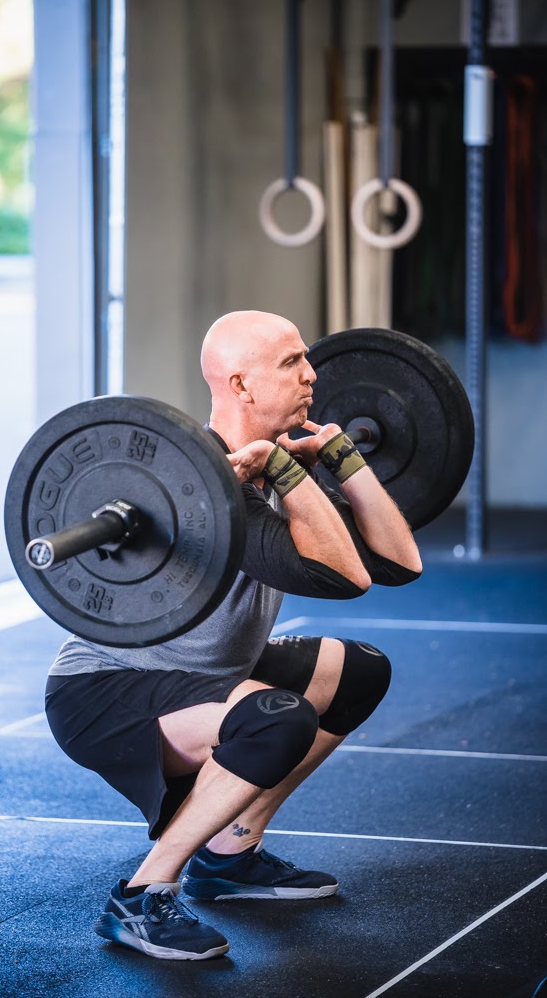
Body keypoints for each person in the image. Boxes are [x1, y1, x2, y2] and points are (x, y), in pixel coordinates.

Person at [45, 309, 423, 961]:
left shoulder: (271, 467)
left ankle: (230, 855)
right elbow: (343, 579)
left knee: (358, 670)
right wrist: (284, 470)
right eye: (290, 363)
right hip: (108, 693)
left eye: (306, 358)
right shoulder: (207, 486)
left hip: (203, 672)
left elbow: (396, 563)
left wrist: (336, 453)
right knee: (280, 720)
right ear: (241, 386)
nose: (312, 374)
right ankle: (142, 894)